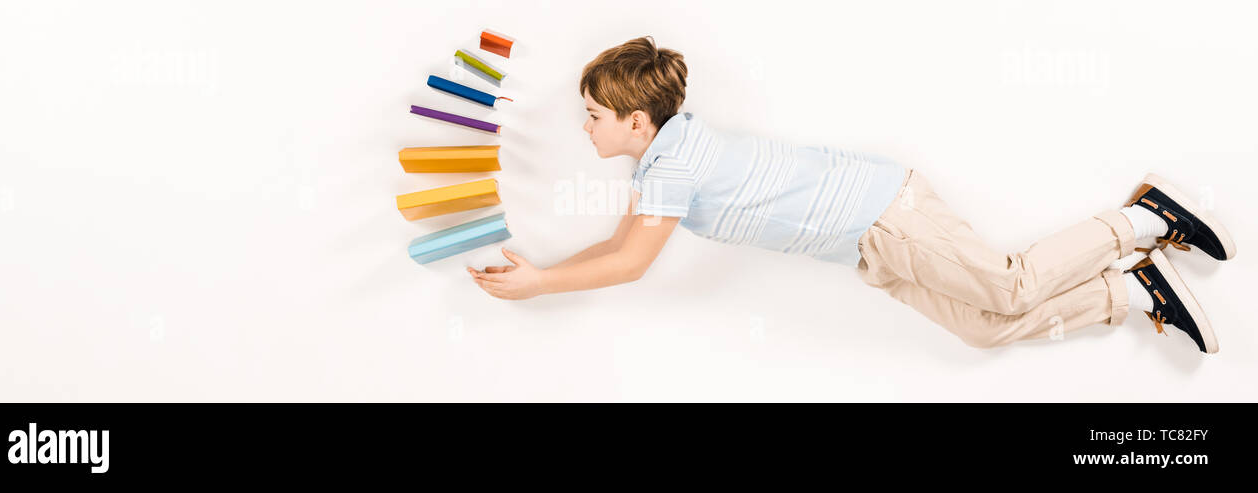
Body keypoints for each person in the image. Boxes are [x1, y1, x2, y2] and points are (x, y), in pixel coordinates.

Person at [467, 36, 1236, 353]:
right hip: (866, 245)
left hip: (880, 214)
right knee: (985, 328)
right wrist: (546, 270)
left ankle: (1145, 218)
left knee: (1009, 284)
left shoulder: (670, 166)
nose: (586, 129)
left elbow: (630, 263)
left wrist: (538, 283)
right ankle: (1132, 291)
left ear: (637, 120)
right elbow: (618, 246)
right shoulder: (665, 161)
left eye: (595, 116)